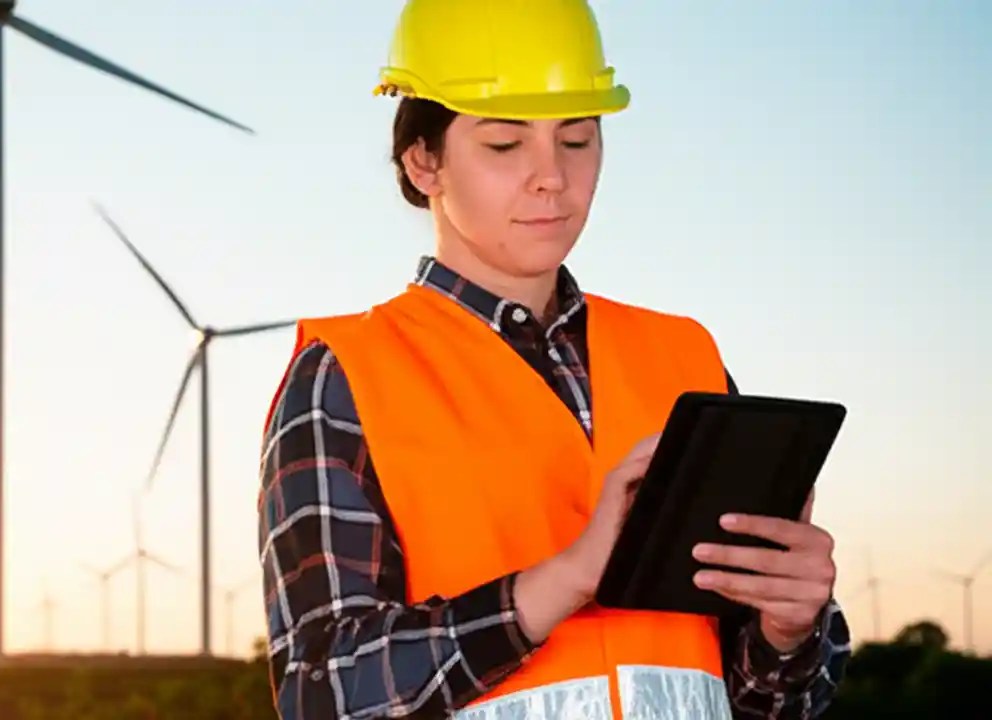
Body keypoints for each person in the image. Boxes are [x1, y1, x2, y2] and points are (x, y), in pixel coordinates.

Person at [256, 1, 851, 717]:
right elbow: (319, 693)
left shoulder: (684, 354)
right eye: (505, 146)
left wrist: (788, 633)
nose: (552, 178)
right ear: (424, 161)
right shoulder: (345, 375)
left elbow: (765, 703)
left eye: (576, 140)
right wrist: (564, 580)